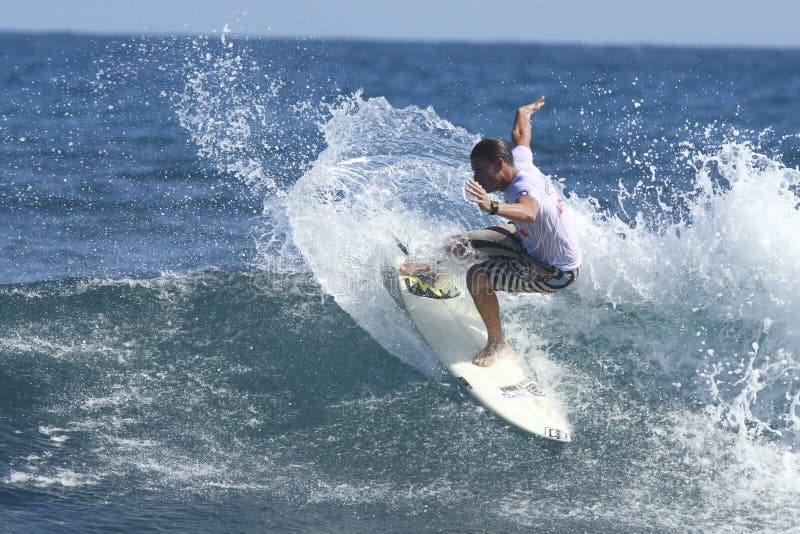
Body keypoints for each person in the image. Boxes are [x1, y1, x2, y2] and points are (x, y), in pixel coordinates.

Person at [402, 96, 582, 366]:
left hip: (556, 271)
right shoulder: (519, 160)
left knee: (478, 275)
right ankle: (434, 274)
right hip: (530, 241)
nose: (477, 179)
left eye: (480, 171)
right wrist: (523, 112)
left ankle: (498, 344)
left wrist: (493, 206)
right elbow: (521, 136)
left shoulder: (524, 188)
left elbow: (529, 211)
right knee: (459, 245)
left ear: (498, 165)